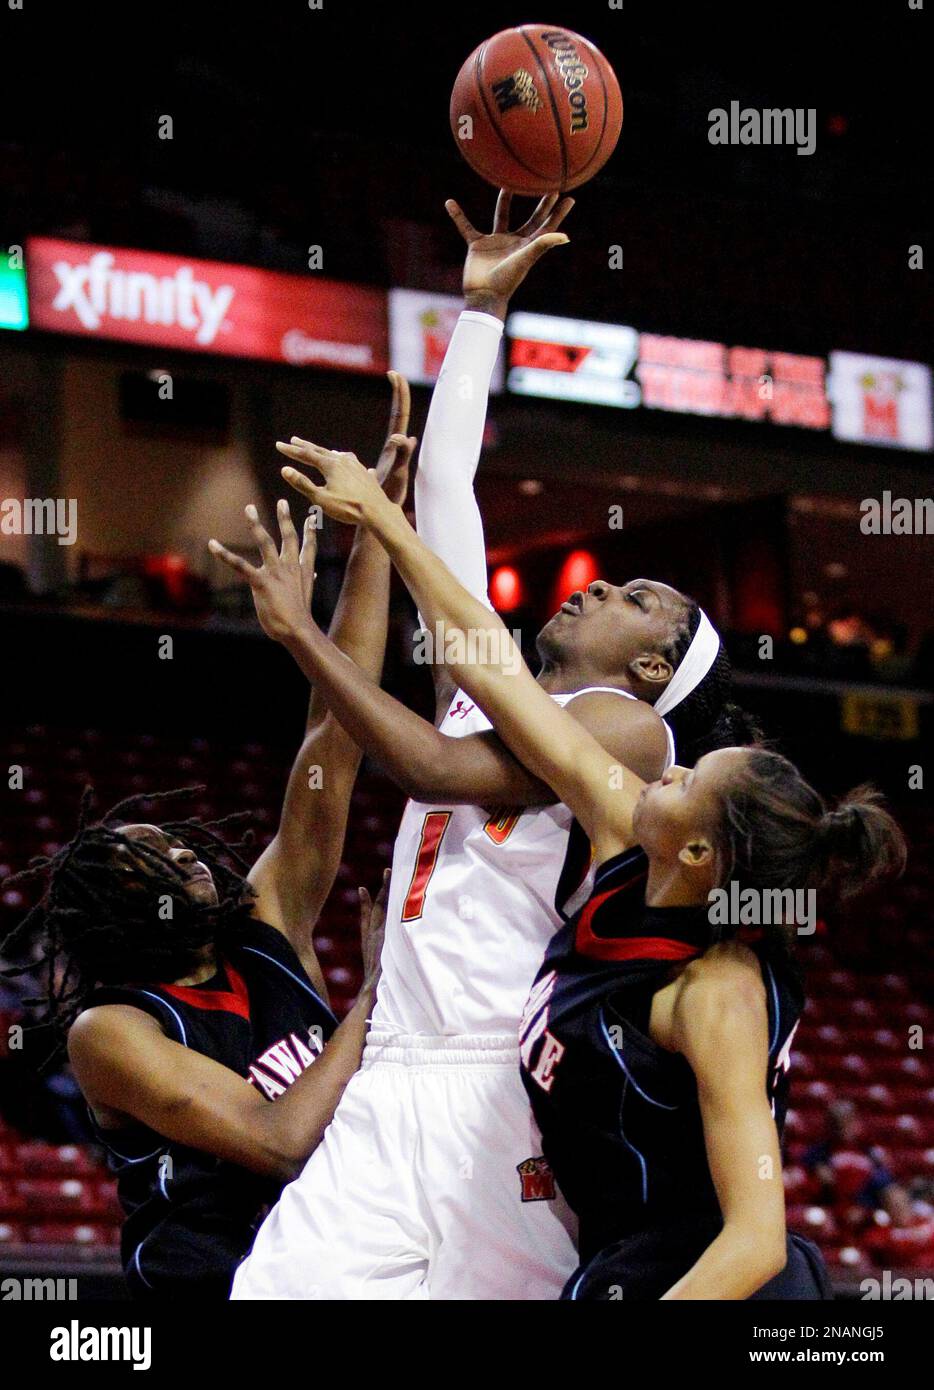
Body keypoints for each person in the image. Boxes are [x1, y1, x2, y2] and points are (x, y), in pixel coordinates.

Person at [213, 199, 758, 1301]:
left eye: (635, 598)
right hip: (391, 1068)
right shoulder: (486, 682)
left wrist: (302, 636)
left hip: (496, 1084)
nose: (599, 580)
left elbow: (427, 770)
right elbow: (449, 493)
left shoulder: (627, 728)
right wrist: (478, 312)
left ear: (654, 670)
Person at [269, 432, 908, 1299]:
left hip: (716, 1283)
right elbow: (488, 666)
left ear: (696, 851)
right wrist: (385, 516)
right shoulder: (623, 834)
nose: (667, 768)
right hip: (611, 1256)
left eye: (688, 777)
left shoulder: (719, 992)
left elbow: (755, 1240)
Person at [0, 379, 415, 1299]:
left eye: (182, 844)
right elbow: (277, 1139)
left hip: (339, 1268)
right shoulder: (114, 1029)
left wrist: (377, 530)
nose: (192, 856)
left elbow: (334, 738)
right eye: (159, 857)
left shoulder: (262, 925)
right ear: (118, 908)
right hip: (212, 1285)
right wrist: (381, 991)